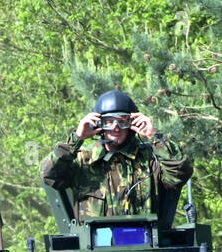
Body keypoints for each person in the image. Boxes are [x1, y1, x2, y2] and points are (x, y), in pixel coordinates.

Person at [40, 90, 192, 222]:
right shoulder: (84, 160)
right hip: (95, 251)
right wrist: (76, 139)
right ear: (98, 125)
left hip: (143, 248)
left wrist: (154, 137)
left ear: (132, 124)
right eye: (108, 122)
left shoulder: (149, 159)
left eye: (122, 122)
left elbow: (179, 173)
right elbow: (49, 175)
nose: (115, 128)